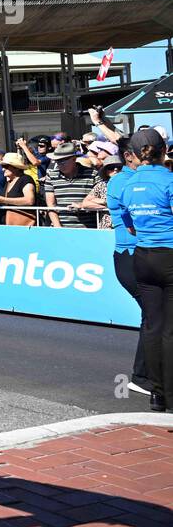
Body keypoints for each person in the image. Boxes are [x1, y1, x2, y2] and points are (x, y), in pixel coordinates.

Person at [119, 128, 173, 413]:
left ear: (137, 154)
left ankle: (157, 394)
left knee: (152, 325)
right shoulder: (169, 179)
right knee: (169, 329)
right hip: (169, 254)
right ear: (164, 150)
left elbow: (129, 225)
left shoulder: (127, 183)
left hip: (143, 255)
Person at [105, 141, 154, 397]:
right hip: (131, 255)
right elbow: (136, 222)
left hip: (142, 255)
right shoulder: (123, 182)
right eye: (144, 155)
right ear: (128, 157)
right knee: (154, 314)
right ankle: (143, 376)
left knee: (156, 315)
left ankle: (146, 375)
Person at [43, 141, 96, 228]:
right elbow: (51, 204)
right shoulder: (51, 175)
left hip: (88, 229)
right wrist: (58, 227)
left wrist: (83, 205)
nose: (60, 164)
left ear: (74, 159)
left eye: (63, 161)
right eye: (57, 161)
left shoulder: (93, 174)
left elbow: (98, 198)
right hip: (59, 228)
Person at [0, 152, 37, 225]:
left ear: (16, 167)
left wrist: (3, 200)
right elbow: (3, 202)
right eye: (2, 166)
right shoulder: (9, 182)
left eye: (5, 166)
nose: (2, 169)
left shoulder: (25, 179)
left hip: (23, 227)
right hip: (9, 225)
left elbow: (29, 200)